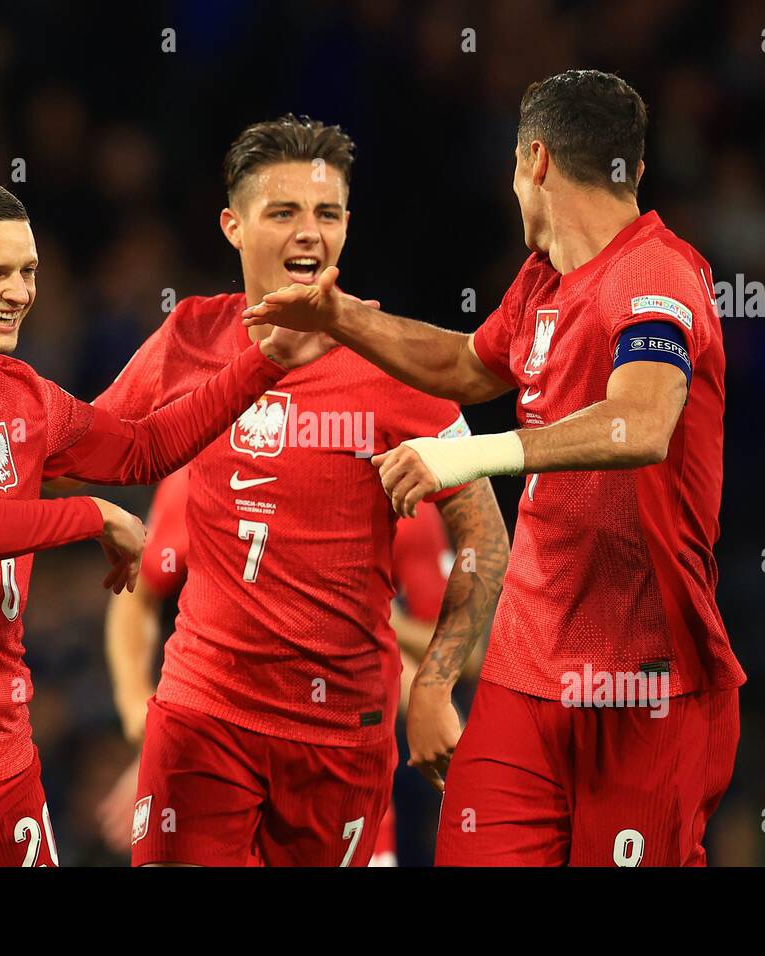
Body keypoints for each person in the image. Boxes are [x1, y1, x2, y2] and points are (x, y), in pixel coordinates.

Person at [245, 72, 745, 866]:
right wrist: (339, 317)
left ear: (535, 161)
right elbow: (464, 365)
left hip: (646, 677)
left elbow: (643, 422)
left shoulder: (656, 275)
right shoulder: (543, 282)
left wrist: (469, 454)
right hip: (525, 669)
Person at [0, 175, 327, 866]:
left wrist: (263, 363)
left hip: (3, 770)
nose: (18, 291)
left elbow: (143, 447)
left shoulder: (24, 394)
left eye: (28, 271)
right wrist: (90, 516)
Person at [96, 116, 510, 866]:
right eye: (283, 212)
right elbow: (88, 447)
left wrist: (434, 684)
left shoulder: (399, 363)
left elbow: (485, 535)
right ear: (233, 225)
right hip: (203, 716)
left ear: (348, 226)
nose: (308, 233)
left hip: (339, 737)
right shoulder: (190, 337)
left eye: (326, 214)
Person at [97, 464, 476, 866]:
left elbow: (463, 652)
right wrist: (138, 705)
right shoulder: (212, 463)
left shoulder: (393, 478)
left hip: (340, 764)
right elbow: (141, 588)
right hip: (223, 754)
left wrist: (382, 632)